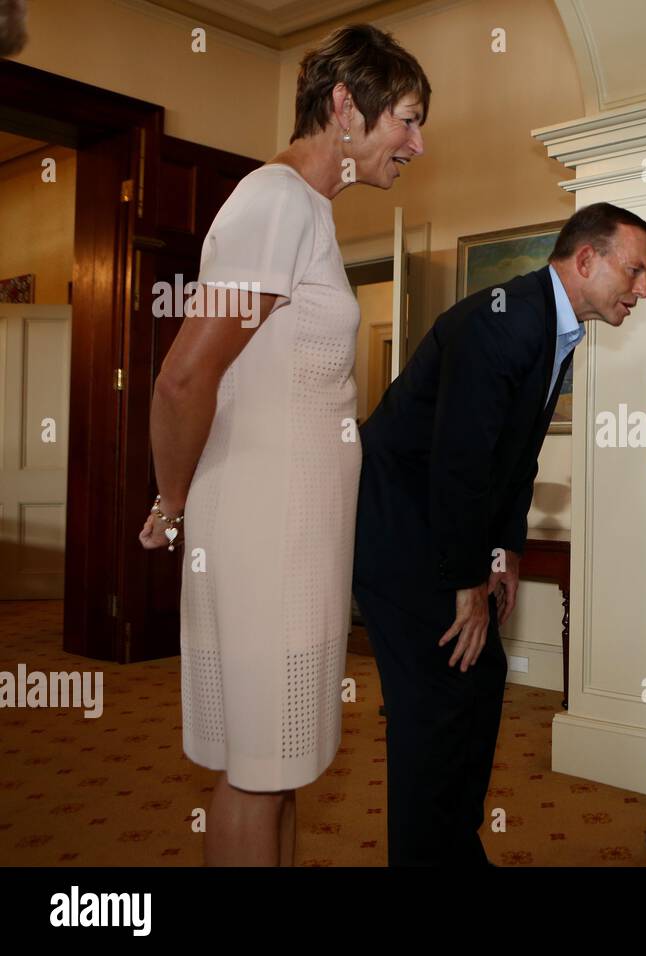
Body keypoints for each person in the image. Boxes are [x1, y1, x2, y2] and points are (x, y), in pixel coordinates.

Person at [139, 24, 430, 866]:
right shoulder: (274, 201)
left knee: (278, 761)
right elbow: (182, 379)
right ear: (346, 106)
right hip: (265, 531)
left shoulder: (306, 212)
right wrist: (173, 499)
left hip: (294, 532)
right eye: (406, 120)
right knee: (258, 771)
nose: (416, 144)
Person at [352, 203, 646, 866]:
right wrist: (465, 582)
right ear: (584, 261)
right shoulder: (507, 323)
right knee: (434, 706)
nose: (643, 288)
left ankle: (454, 848)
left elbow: (513, 460)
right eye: (634, 271)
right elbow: (460, 462)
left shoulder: (549, 324)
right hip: (400, 529)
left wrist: (505, 553)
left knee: (478, 681)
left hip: (442, 528)